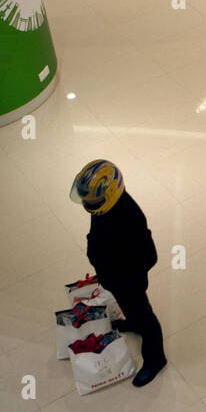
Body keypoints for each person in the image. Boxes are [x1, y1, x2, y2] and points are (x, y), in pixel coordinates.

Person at [69, 160, 167, 387]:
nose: (87, 203)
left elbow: (148, 255)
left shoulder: (129, 218)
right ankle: (134, 322)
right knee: (132, 311)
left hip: (128, 281)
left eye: (91, 199)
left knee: (145, 318)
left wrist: (125, 277)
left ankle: (155, 359)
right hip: (116, 278)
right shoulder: (104, 208)